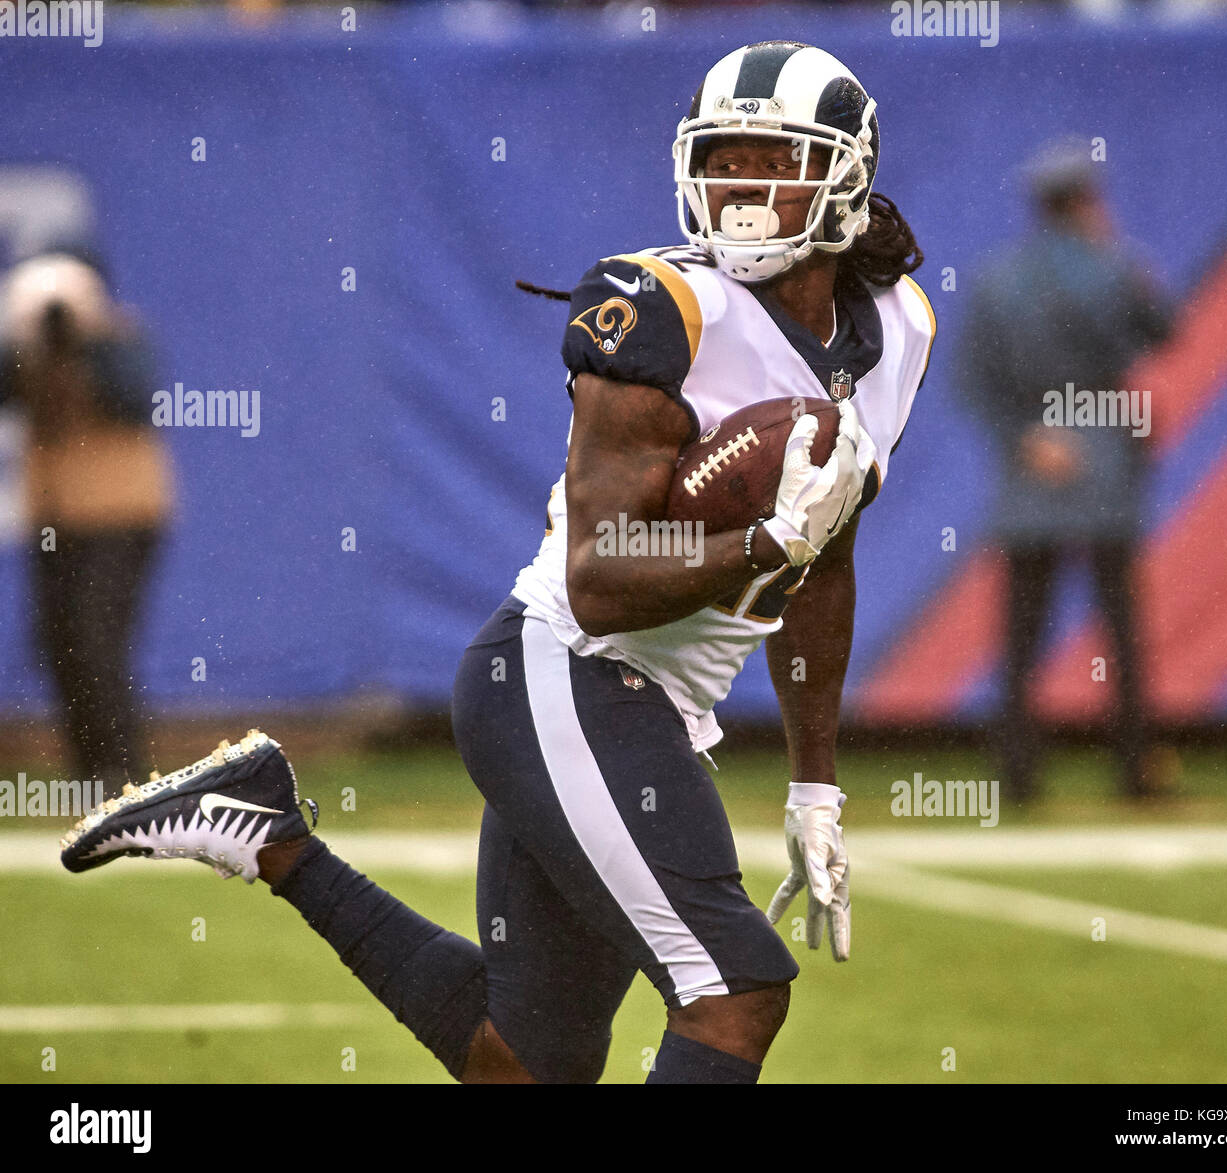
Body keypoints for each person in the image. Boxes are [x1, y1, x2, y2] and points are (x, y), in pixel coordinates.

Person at [60, 41, 934, 1084]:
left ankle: (271, 836)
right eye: (722, 159)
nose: (739, 188)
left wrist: (814, 789)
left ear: (844, 176)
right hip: (564, 675)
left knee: (522, 1064)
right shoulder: (663, 309)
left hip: (645, 702)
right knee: (734, 993)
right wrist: (761, 542)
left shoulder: (897, 326)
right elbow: (599, 583)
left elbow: (821, 564)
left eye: (769, 160)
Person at [961, 138, 1175, 801]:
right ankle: (1135, 769)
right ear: (1085, 200)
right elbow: (1162, 330)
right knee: (1122, 627)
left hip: (1033, 459)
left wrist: (1025, 437)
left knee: (1023, 628)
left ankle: (1018, 771)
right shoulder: (1115, 267)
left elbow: (974, 380)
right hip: (1105, 455)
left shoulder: (997, 278)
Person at [0, 249, 170, 792]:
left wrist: (87, 338)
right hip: (54, 519)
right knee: (56, 640)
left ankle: (121, 770)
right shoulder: (27, 355)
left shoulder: (120, 340)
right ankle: (88, 777)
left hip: (119, 518)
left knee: (99, 640)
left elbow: (134, 398)